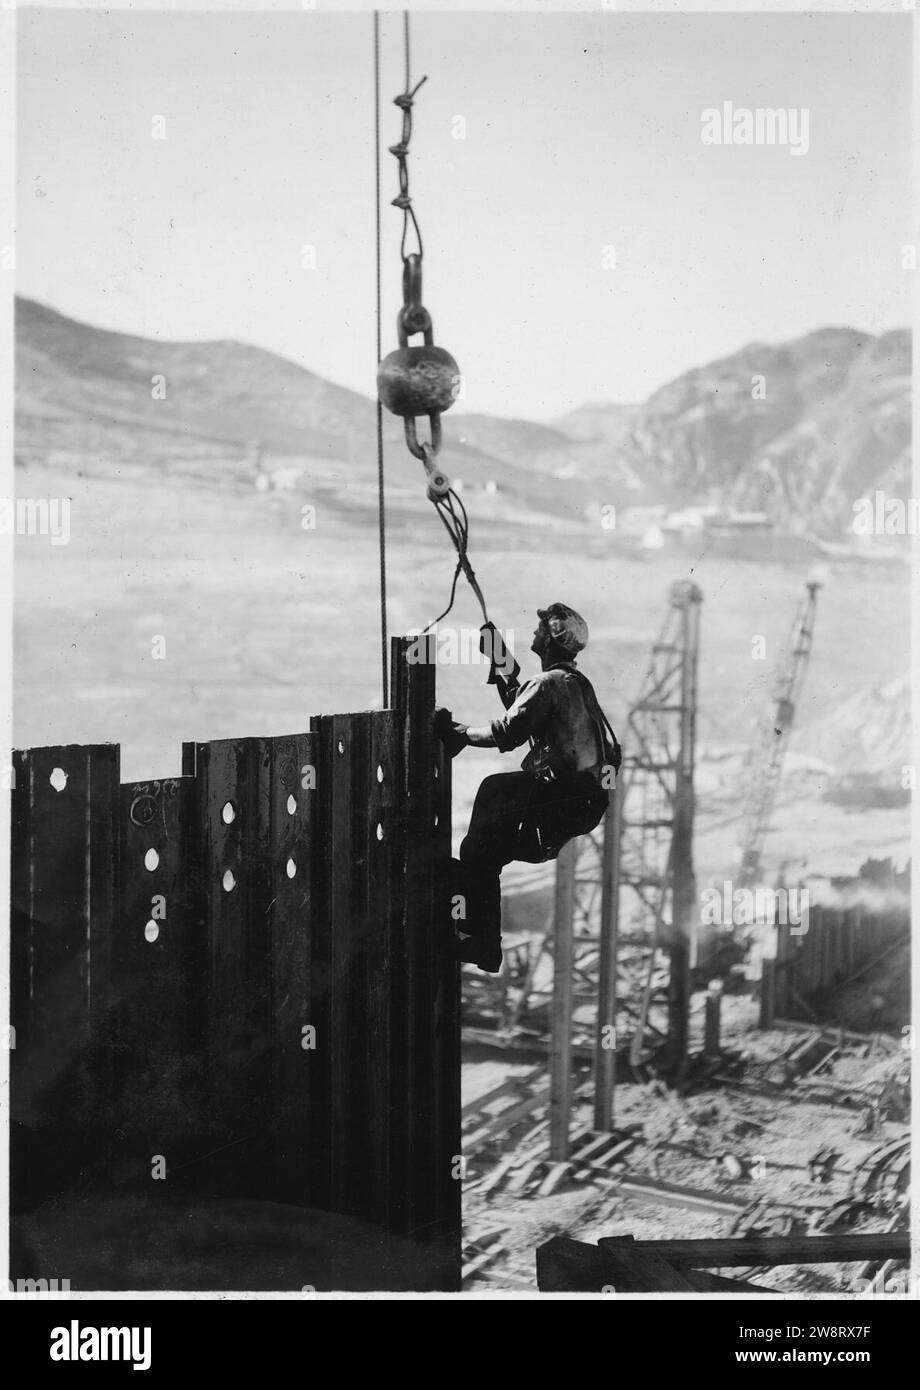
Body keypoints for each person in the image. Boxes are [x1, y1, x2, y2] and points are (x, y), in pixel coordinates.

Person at [441, 603, 620, 972]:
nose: (534, 635)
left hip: (560, 798)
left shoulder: (549, 684)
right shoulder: (575, 684)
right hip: (580, 804)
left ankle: (480, 933)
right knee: (484, 854)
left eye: (540, 631)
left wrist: (458, 735)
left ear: (552, 640)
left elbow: (509, 731)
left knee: (492, 796)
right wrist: (500, 660)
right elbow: (524, 709)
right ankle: (483, 942)